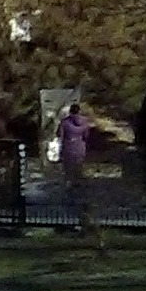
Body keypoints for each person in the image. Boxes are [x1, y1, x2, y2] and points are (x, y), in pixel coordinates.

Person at [57, 97, 96, 237]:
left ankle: (69, 187)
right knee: (79, 169)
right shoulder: (85, 122)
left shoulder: (65, 123)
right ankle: (78, 186)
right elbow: (86, 135)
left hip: (68, 149)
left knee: (68, 171)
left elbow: (60, 136)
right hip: (80, 148)